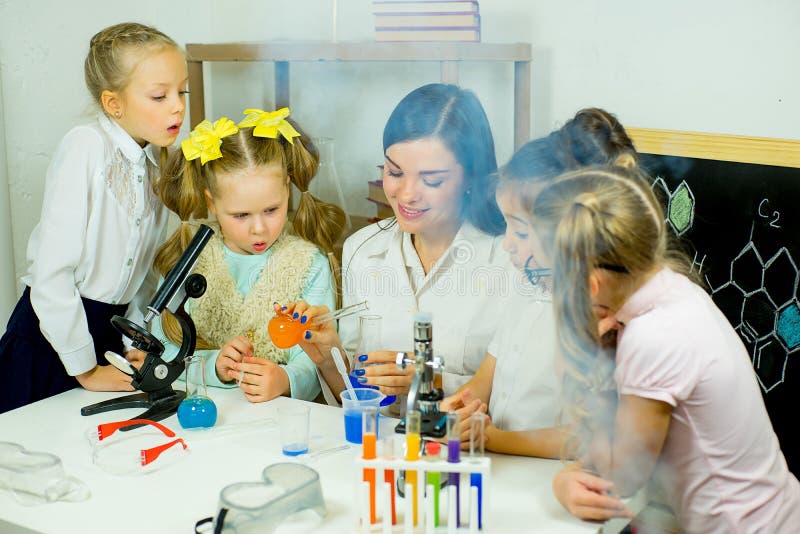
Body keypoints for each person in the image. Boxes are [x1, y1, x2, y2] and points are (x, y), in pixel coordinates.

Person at [528, 165, 800, 531]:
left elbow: (620, 479)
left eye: (551, 277)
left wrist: (577, 357)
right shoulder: (673, 291)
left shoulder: (653, 336)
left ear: (591, 284)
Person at [290, 83, 517, 405]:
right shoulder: (364, 251)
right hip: (376, 447)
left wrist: (434, 380)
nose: (407, 194)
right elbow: (354, 397)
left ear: (471, 177)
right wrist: (329, 356)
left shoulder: (510, 258)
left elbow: (526, 397)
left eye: (432, 180)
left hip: (465, 449)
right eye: (394, 172)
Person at [0, 22, 186, 413]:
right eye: (159, 95)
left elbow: (143, 276)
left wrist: (136, 343)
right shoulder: (86, 147)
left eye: (181, 91)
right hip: (50, 338)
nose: (177, 106)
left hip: (105, 338)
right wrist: (84, 369)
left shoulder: (158, 162)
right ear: (113, 103)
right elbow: (51, 274)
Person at [440, 108, 637, 456]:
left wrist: (490, 438)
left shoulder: (607, 316)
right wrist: (455, 410)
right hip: (504, 469)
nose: (506, 244)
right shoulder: (528, 285)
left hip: (558, 482)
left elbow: (590, 436)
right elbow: (485, 379)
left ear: (566, 229)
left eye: (519, 230)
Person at [147, 107, 345, 403]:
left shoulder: (308, 264)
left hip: (275, 420)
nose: (259, 229)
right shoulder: (189, 257)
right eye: (241, 215)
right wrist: (213, 365)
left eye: (271, 210)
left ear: (287, 191)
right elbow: (162, 344)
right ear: (211, 204)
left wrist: (285, 379)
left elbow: (314, 354)